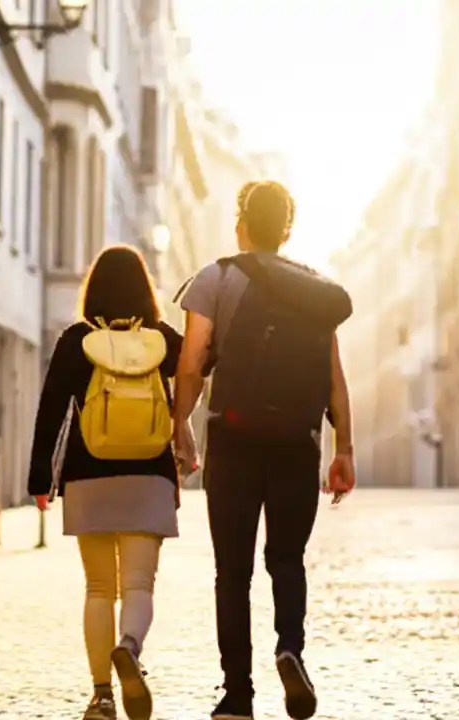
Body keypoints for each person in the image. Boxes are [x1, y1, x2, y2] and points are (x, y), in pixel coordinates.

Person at [172, 181, 356, 720]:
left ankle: (238, 695)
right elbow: (334, 378)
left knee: (232, 572)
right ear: (287, 231)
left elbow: (191, 363)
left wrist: (180, 426)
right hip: (298, 442)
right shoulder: (314, 289)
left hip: (233, 440)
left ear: (241, 226)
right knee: (287, 560)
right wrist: (343, 449)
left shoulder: (216, 278)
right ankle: (290, 649)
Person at [27, 245, 184, 720]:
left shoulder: (77, 340)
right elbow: (203, 362)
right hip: (150, 474)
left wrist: (40, 477)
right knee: (139, 584)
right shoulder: (161, 340)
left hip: (88, 473)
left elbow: (51, 409)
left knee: (99, 588)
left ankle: (101, 696)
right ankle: (129, 648)